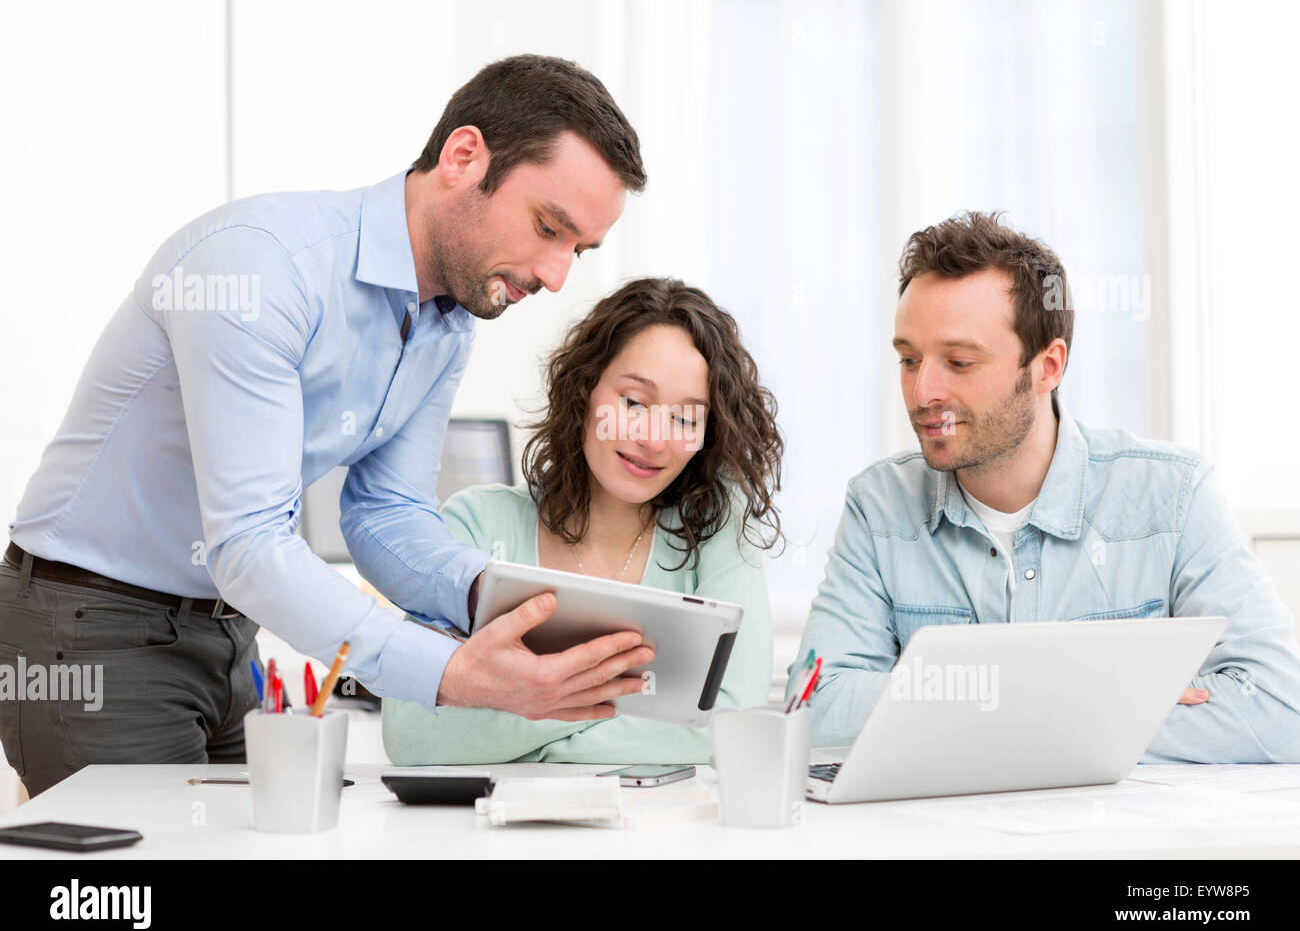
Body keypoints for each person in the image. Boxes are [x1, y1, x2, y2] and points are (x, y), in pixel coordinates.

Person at [1, 55, 653, 796]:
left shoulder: (448, 323)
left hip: (226, 635)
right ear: (464, 157)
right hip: (90, 627)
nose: (559, 274)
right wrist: (450, 673)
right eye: (548, 227)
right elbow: (247, 543)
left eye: (580, 249)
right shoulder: (262, 267)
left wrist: (507, 606)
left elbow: (385, 512)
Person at [792, 211, 1300, 764]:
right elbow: (818, 709)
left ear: (1048, 367)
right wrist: (1080, 699)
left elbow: (1277, 709)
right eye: (909, 359)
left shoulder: (1172, 496)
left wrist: (965, 709)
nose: (923, 390)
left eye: (959, 361)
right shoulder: (879, 506)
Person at [383, 277, 783, 763]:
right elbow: (410, 731)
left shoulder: (718, 525)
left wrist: (529, 726)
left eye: (685, 418)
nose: (654, 439)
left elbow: (735, 724)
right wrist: (639, 712)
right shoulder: (477, 525)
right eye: (634, 403)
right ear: (585, 389)